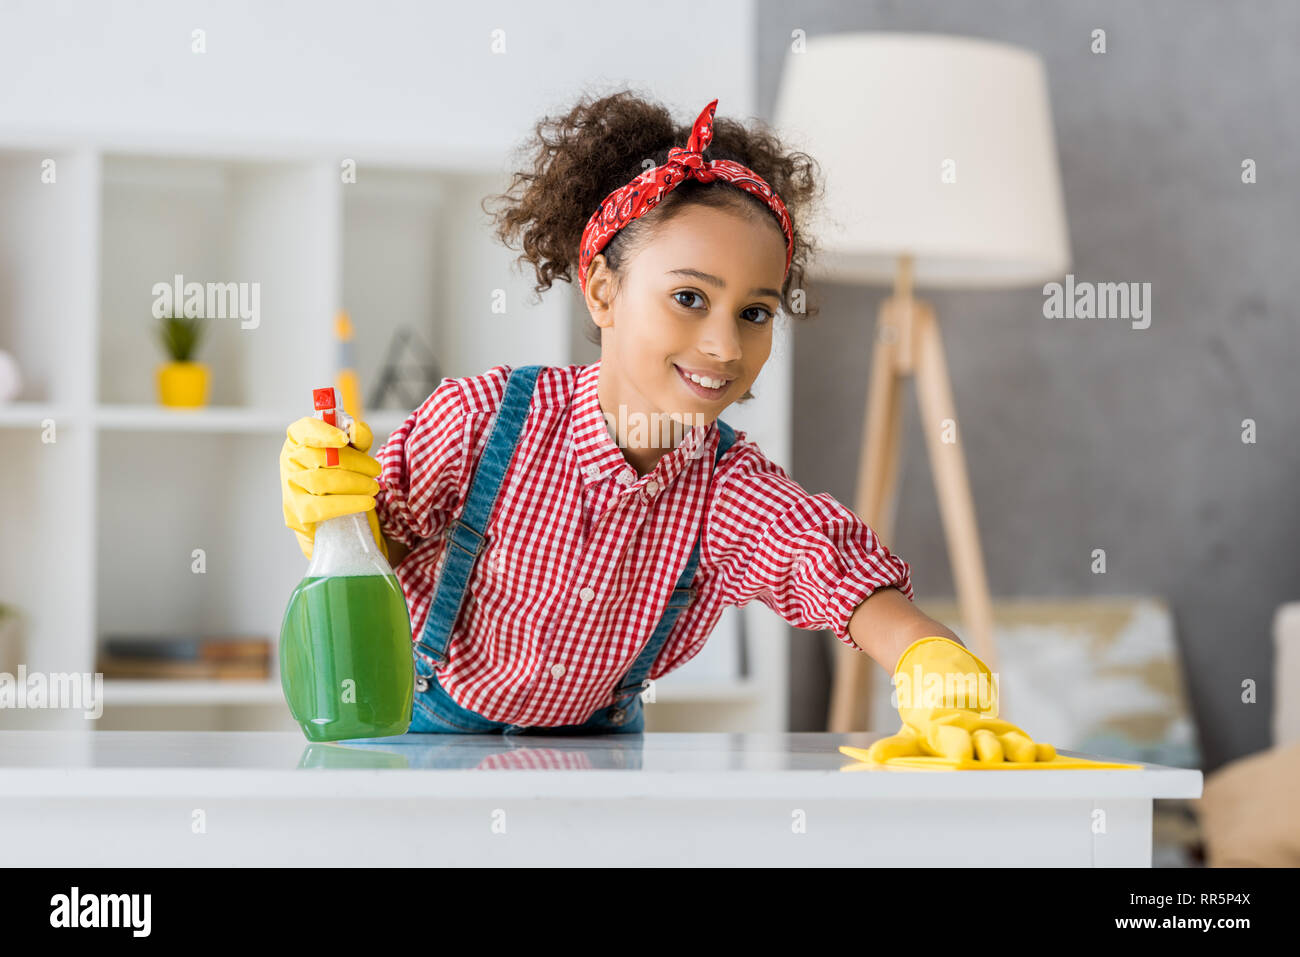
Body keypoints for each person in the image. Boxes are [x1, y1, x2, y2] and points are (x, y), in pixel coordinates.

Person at [281, 91, 1053, 762]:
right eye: (689, 297)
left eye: (755, 312)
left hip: (594, 755)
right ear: (602, 289)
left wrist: (927, 655)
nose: (724, 345)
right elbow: (365, 550)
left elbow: (823, 564)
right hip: (417, 739)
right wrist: (330, 502)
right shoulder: (479, 421)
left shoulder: (726, 490)